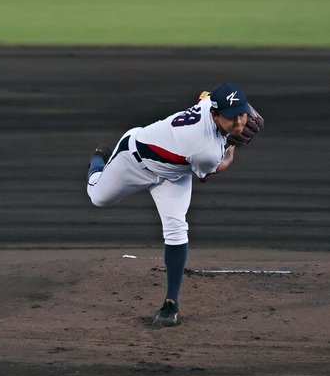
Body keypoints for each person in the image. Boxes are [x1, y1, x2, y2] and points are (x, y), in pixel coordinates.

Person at [86, 82, 258, 327]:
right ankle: (97, 160)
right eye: (232, 118)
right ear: (215, 115)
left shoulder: (211, 104)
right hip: (134, 160)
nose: (240, 122)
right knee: (98, 197)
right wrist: (229, 155)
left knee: (177, 229)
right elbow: (211, 171)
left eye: (242, 114)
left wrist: (228, 112)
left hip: (174, 175)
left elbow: (205, 95)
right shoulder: (205, 149)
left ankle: (171, 304)